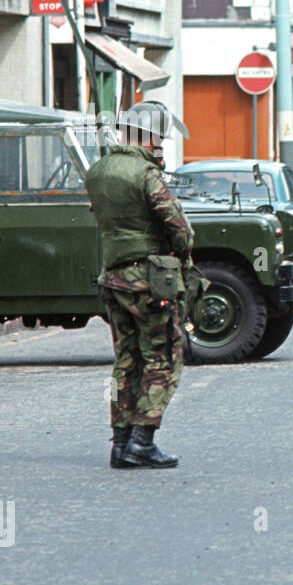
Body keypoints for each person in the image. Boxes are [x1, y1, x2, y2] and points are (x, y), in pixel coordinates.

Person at [84, 102, 196, 469]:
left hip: (112, 279)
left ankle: (119, 443)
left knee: (125, 360)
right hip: (147, 282)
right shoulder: (146, 174)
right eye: (159, 138)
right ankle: (143, 441)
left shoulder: (98, 171)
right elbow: (179, 228)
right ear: (147, 136)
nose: (160, 145)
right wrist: (183, 259)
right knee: (163, 357)